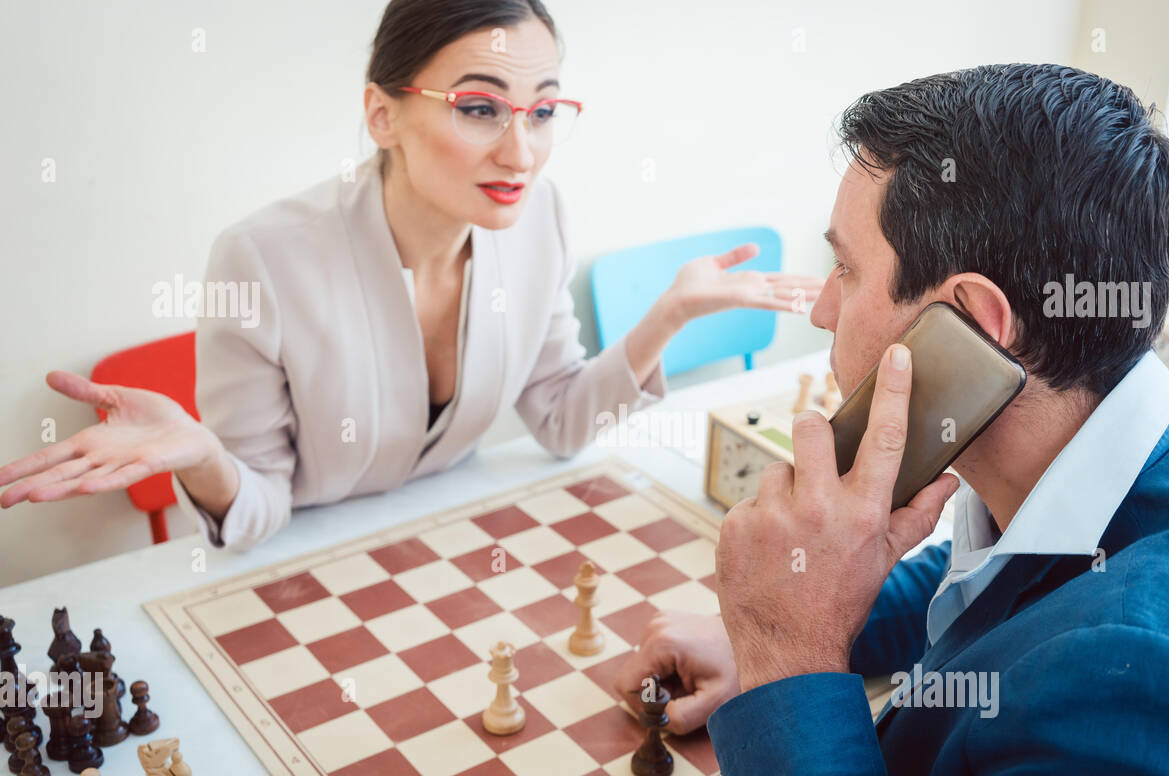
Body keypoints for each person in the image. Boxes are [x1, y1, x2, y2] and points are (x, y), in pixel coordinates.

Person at [616, 63, 1169, 776]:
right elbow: (1006, 581)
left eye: (846, 269)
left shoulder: (1144, 692)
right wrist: (806, 623)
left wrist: (789, 661)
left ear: (972, 323)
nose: (823, 309)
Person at [0, 0, 819, 552]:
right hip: (301, 568)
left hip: (456, 544)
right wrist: (202, 454)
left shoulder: (540, 217)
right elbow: (258, 510)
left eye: (542, 110)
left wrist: (667, 315)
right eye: (479, 107)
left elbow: (561, 421)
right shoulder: (260, 259)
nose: (522, 152)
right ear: (382, 114)